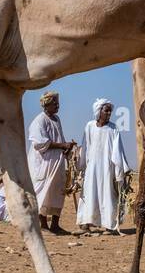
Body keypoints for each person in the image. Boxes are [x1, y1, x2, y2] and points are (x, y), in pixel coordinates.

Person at [78, 98, 130, 234]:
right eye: (106, 110)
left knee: (107, 194)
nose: (109, 114)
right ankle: (85, 223)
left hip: (107, 168)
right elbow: (85, 146)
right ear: (98, 111)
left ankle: (109, 225)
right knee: (89, 193)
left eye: (110, 111)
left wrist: (119, 171)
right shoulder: (89, 126)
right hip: (91, 167)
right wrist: (82, 165)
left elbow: (117, 150)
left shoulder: (113, 128)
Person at [27, 90, 76, 233]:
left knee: (57, 192)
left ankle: (55, 224)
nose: (57, 105)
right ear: (46, 104)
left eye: (58, 102)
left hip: (58, 161)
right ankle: (43, 225)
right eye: (54, 103)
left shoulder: (57, 119)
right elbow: (39, 143)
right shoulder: (39, 120)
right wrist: (62, 145)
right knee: (44, 191)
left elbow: (59, 139)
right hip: (45, 163)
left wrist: (66, 148)